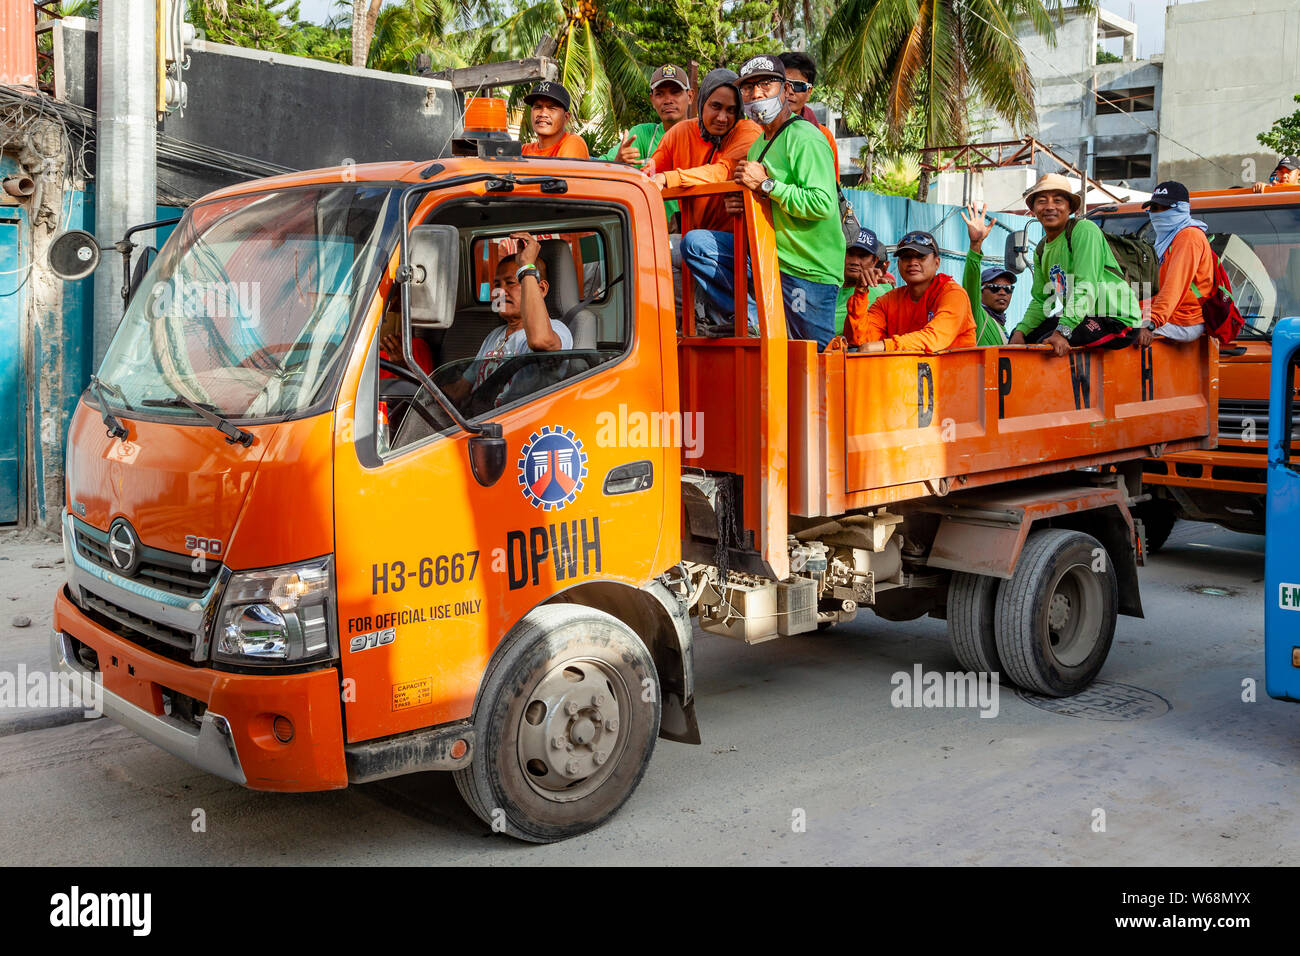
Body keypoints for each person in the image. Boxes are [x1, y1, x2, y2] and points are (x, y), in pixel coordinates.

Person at [679, 54, 844, 350]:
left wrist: (766, 185)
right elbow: (765, 199)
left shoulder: (805, 138)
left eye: (765, 84)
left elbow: (821, 204)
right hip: (767, 258)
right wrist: (744, 203)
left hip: (807, 269)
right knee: (696, 245)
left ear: (785, 89)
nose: (756, 94)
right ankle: (753, 317)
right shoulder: (759, 145)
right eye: (749, 87)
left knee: (813, 362)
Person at [643, 69, 762, 327]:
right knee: (644, 251)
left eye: (731, 110)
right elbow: (650, 172)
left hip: (737, 244)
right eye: (715, 106)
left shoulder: (748, 131)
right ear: (701, 103)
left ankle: (749, 317)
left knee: (692, 244)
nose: (722, 117)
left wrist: (670, 178)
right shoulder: (679, 133)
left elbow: (723, 170)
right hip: (695, 241)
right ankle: (675, 324)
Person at [1009, 173, 1141, 355]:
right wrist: (1020, 331)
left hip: (1115, 320)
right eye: (1042, 201)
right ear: (1033, 209)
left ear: (1071, 208)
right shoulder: (1041, 249)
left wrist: (1063, 331)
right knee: (1026, 338)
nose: (1049, 207)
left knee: (1045, 344)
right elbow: (1041, 299)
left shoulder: (1084, 230)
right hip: (1083, 315)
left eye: (1057, 201)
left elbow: (1086, 285)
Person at [441, 232, 572, 407]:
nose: (501, 293)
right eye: (497, 285)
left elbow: (540, 341)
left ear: (541, 289)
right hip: (480, 422)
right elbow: (460, 390)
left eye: (511, 283)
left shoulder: (558, 329)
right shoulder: (495, 335)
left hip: (515, 424)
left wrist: (526, 268)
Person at [839, 230, 976, 353]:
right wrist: (860, 292)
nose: (912, 262)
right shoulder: (888, 300)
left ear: (937, 263)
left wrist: (887, 346)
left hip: (955, 376)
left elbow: (935, 339)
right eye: (906, 257)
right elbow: (859, 341)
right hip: (907, 375)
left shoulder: (952, 294)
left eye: (921, 257)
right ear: (898, 264)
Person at [1137, 180, 1214, 345]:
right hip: (1167, 314)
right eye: (1154, 208)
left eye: (1163, 208)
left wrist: (1151, 323)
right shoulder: (1165, 240)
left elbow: (1174, 287)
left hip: (1185, 319)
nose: (1156, 214)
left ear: (1181, 208)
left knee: (1119, 332)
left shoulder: (1189, 237)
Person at [778, 51, 839, 181]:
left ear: (809, 92)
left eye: (799, 86)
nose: (790, 91)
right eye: (784, 84)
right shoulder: (758, 131)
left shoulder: (824, 136)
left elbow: (832, 186)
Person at [958, 201, 1012, 345]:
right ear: (980, 292)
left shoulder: (1001, 326)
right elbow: (971, 280)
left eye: (1008, 289)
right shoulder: (976, 315)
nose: (1002, 293)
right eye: (994, 288)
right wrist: (975, 245)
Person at [834, 227, 891, 337]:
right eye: (850, 253)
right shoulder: (831, 285)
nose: (855, 262)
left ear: (874, 261)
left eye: (862, 256)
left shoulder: (874, 292)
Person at [520, 82, 589, 158]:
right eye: (538, 107)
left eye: (551, 108)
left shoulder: (573, 143)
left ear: (566, 118)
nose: (543, 114)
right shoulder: (524, 149)